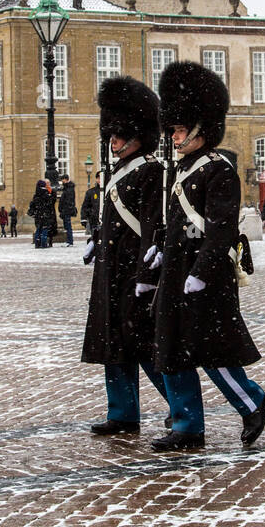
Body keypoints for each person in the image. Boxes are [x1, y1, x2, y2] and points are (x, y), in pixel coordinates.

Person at [147, 61, 265, 452]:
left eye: (181, 130)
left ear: (201, 130)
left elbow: (220, 229)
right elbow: (176, 220)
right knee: (172, 350)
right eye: (174, 130)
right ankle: (187, 425)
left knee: (210, 349)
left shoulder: (219, 171)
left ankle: (251, 400)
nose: (175, 136)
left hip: (205, 272)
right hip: (176, 269)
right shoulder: (179, 170)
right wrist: (158, 245)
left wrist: (201, 271)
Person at [82, 75, 170, 436]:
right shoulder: (115, 171)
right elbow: (112, 217)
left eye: (119, 136)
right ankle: (122, 411)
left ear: (137, 134)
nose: (114, 142)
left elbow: (150, 222)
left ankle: (177, 402)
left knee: (144, 345)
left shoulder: (151, 170)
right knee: (113, 343)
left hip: (134, 267)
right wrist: (97, 239)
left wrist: (146, 273)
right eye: (112, 136)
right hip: (110, 269)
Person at [28, 179, 56, 249]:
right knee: (45, 230)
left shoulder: (36, 195)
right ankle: (43, 244)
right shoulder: (46, 194)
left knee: (38, 229)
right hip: (45, 215)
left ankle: (37, 243)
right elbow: (50, 203)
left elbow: (33, 205)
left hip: (38, 215)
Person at [59, 173, 77, 247]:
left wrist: (64, 209)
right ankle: (69, 240)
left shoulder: (69, 188)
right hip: (66, 210)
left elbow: (68, 200)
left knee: (68, 226)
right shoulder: (67, 188)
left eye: (62, 180)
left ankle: (70, 241)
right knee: (67, 225)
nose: (62, 181)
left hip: (67, 210)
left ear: (65, 179)